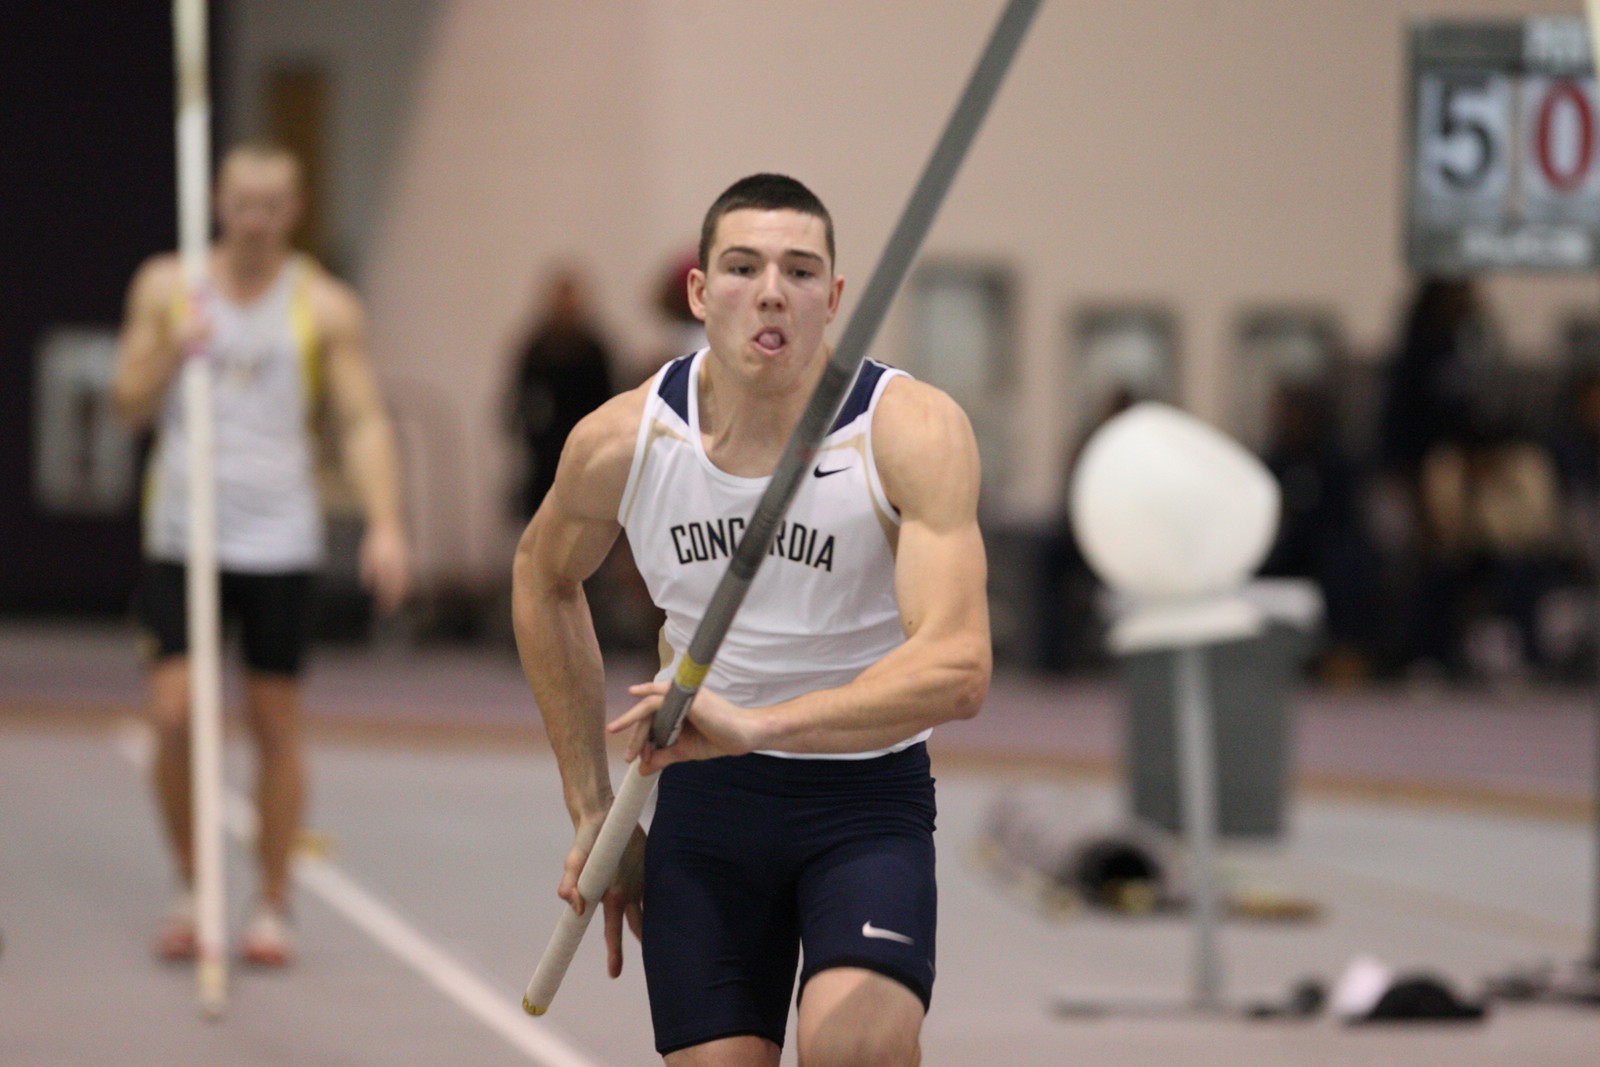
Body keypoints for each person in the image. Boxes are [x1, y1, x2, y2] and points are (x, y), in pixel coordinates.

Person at [513, 173, 990, 1066]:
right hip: (705, 807)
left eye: (800, 271)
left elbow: (958, 667)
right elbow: (540, 579)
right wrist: (591, 807)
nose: (772, 290)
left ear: (835, 298)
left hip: (864, 800)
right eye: (742, 266)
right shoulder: (627, 442)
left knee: (855, 1046)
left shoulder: (907, 431)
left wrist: (759, 724)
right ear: (698, 291)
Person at [112, 140, 410, 966]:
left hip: (278, 537)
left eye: (270, 205)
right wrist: (174, 346)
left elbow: (361, 420)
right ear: (217, 201)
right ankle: (191, 882)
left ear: (294, 208)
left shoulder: (324, 302)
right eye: (240, 202)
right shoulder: (168, 285)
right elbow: (125, 403)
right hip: (185, 533)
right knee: (173, 713)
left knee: (274, 721)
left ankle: (272, 901)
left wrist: (386, 521)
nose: (253, 219)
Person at [507, 269, 616, 519]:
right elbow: (521, 395)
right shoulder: (537, 347)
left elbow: (609, 396)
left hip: (587, 437)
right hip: (546, 443)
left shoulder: (592, 347)